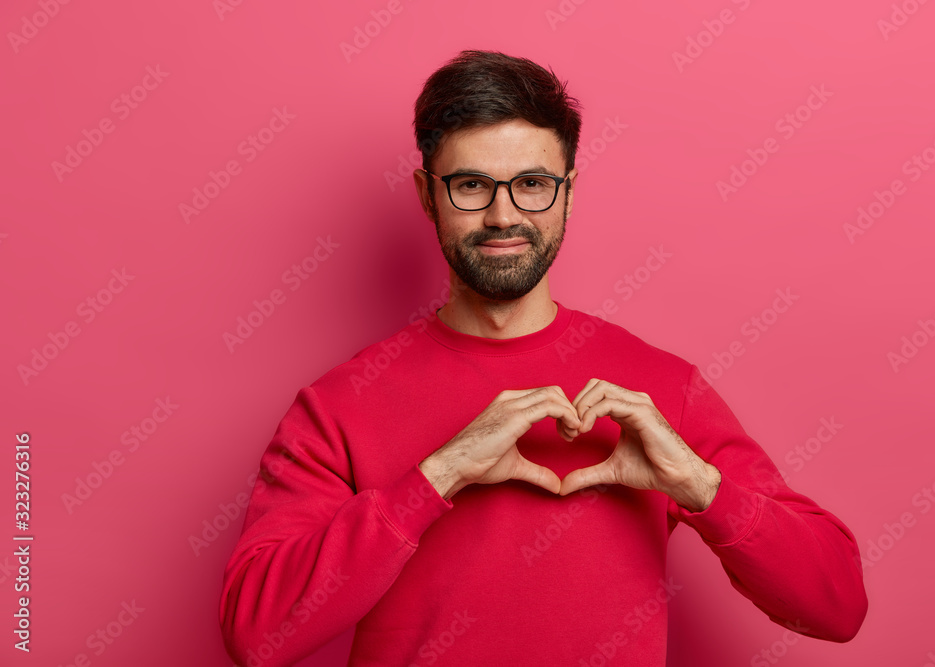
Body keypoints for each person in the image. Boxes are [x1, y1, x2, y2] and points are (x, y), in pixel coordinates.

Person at [219, 50, 867, 666]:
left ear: (568, 190)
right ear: (426, 193)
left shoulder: (660, 389)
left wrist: (699, 486)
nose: (503, 215)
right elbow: (257, 635)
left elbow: (836, 603)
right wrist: (437, 476)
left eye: (531, 183)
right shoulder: (339, 405)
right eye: (471, 184)